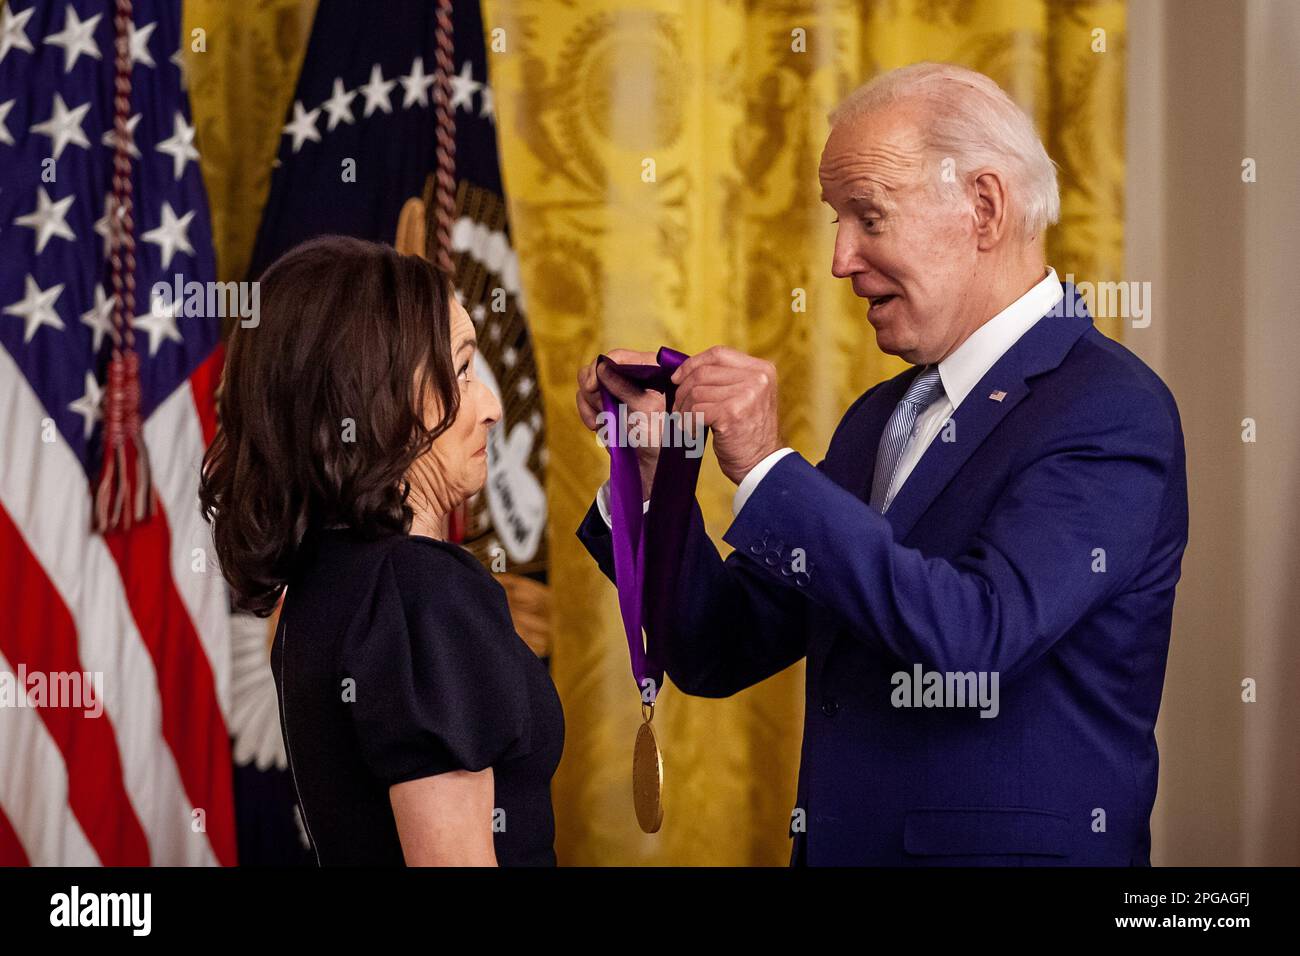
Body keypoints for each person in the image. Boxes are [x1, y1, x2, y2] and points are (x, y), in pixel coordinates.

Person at [576, 63, 1187, 866]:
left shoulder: (1110, 407)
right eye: (839, 220)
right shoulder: (880, 417)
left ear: (984, 208)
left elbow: (978, 637)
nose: (839, 259)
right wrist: (653, 480)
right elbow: (718, 648)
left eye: (868, 217)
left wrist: (764, 462)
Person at [201, 235, 563, 866]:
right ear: (375, 396)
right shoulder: (421, 591)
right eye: (461, 370)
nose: (493, 408)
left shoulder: (329, 577)